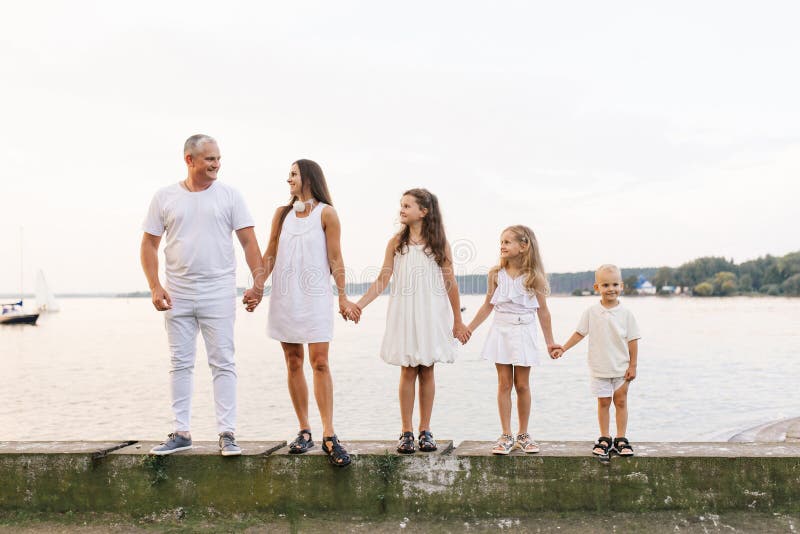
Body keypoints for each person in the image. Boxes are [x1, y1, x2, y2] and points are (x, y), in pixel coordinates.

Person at [141, 134, 264, 456]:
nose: (216, 165)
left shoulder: (230, 196)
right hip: (177, 294)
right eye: (210, 159)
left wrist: (258, 284)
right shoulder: (164, 197)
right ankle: (181, 432)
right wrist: (155, 285)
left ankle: (227, 433)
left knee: (223, 362)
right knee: (179, 363)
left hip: (219, 292)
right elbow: (149, 244)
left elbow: (249, 243)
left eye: (218, 158)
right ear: (189, 160)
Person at [354, 188, 470, 454]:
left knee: (427, 368)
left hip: (430, 313)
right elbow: (383, 279)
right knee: (408, 369)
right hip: (406, 312)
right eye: (401, 205)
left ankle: (425, 429)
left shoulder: (439, 245)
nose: (401, 210)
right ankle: (406, 431)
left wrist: (458, 321)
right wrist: (359, 305)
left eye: (407, 206)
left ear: (424, 212)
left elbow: (450, 282)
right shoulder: (397, 243)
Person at [261, 159, 360, 467]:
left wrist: (343, 296)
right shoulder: (282, 214)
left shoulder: (326, 214)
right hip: (285, 297)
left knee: (319, 362)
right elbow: (270, 254)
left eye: (293, 174)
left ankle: (329, 434)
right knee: (293, 361)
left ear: (308, 177)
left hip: (316, 299)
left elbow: (335, 257)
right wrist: (255, 287)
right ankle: (304, 430)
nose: (288, 178)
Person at [465, 225, 559, 455]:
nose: (502, 245)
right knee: (504, 384)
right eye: (501, 242)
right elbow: (488, 305)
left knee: (523, 385)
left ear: (524, 246)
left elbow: (543, 311)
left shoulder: (533, 277)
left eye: (508, 242)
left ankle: (523, 434)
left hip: (525, 331)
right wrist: (469, 328)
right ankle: (506, 435)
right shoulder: (496, 274)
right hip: (501, 330)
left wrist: (550, 342)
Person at [551, 264, 641, 457]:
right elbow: (579, 333)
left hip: (621, 368)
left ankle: (621, 438)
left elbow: (633, 340)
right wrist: (563, 348)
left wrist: (633, 365)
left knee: (621, 401)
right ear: (597, 287)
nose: (611, 289)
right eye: (606, 285)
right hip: (599, 367)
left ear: (622, 286)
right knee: (603, 403)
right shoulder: (591, 312)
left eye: (615, 284)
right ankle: (605, 438)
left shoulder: (626, 314)